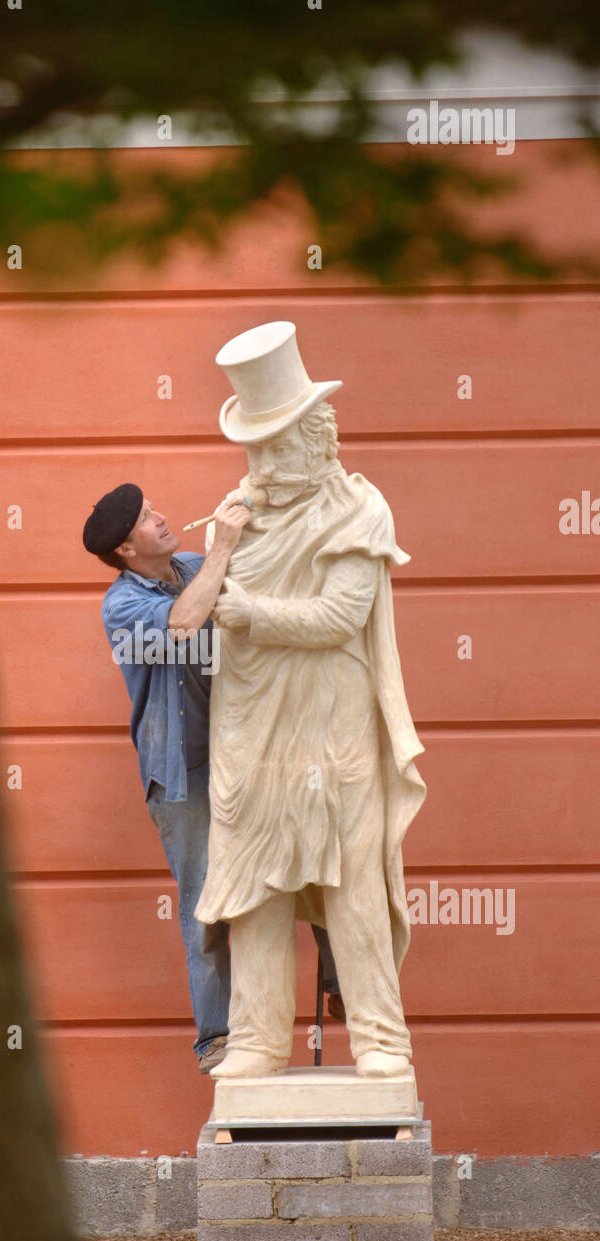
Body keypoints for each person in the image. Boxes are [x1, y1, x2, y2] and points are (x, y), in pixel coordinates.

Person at [194, 321, 426, 1081]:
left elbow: (339, 619)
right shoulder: (238, 513)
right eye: (252, 448)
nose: (259, 464)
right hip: (249, 729)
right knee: (254, 886)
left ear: (315, 438)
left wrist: (249, 613)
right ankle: (258, 1040)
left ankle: (379, 1037)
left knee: (349, 879)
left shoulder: (357, 510)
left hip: (332, 729)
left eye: (274, 446)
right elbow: (196, 603)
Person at [83, 482, 344, 1074]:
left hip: (246, 757)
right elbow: (182, 626)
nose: (164, 517)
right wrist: (223, 549)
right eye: (150, 520)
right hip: (182, 776)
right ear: (126, 549)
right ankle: (217, 1038)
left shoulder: (195, 565)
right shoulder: (121, 606)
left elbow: (265, 575)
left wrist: (263, 504)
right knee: (208, 904)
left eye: (154, 508)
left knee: (312, 849)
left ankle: (341, 981)